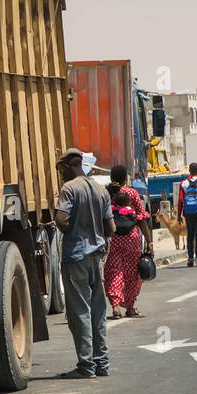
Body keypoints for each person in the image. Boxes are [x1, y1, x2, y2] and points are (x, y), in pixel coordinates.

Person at [54, 148, 114, 379]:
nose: (61, 175)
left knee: (80, 311)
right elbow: (110, 228)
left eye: (61, 170)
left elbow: (61, 220)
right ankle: (102, 364)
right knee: (98, 311)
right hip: (97, 257)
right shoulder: (100, 190)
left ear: (69, 166)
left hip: (76, 256)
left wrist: (74, 227)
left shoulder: (69, 189)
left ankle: (86, 366)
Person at [105, 164, 152, 319]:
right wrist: (149, 243)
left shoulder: (107, 193)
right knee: (132, 273)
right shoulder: (132, 193)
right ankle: (130, 307)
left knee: (114, 270)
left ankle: (115, 306)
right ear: (125, 178)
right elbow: (142, 218)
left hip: (114, 238)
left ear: (111, 178)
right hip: (132, 238)